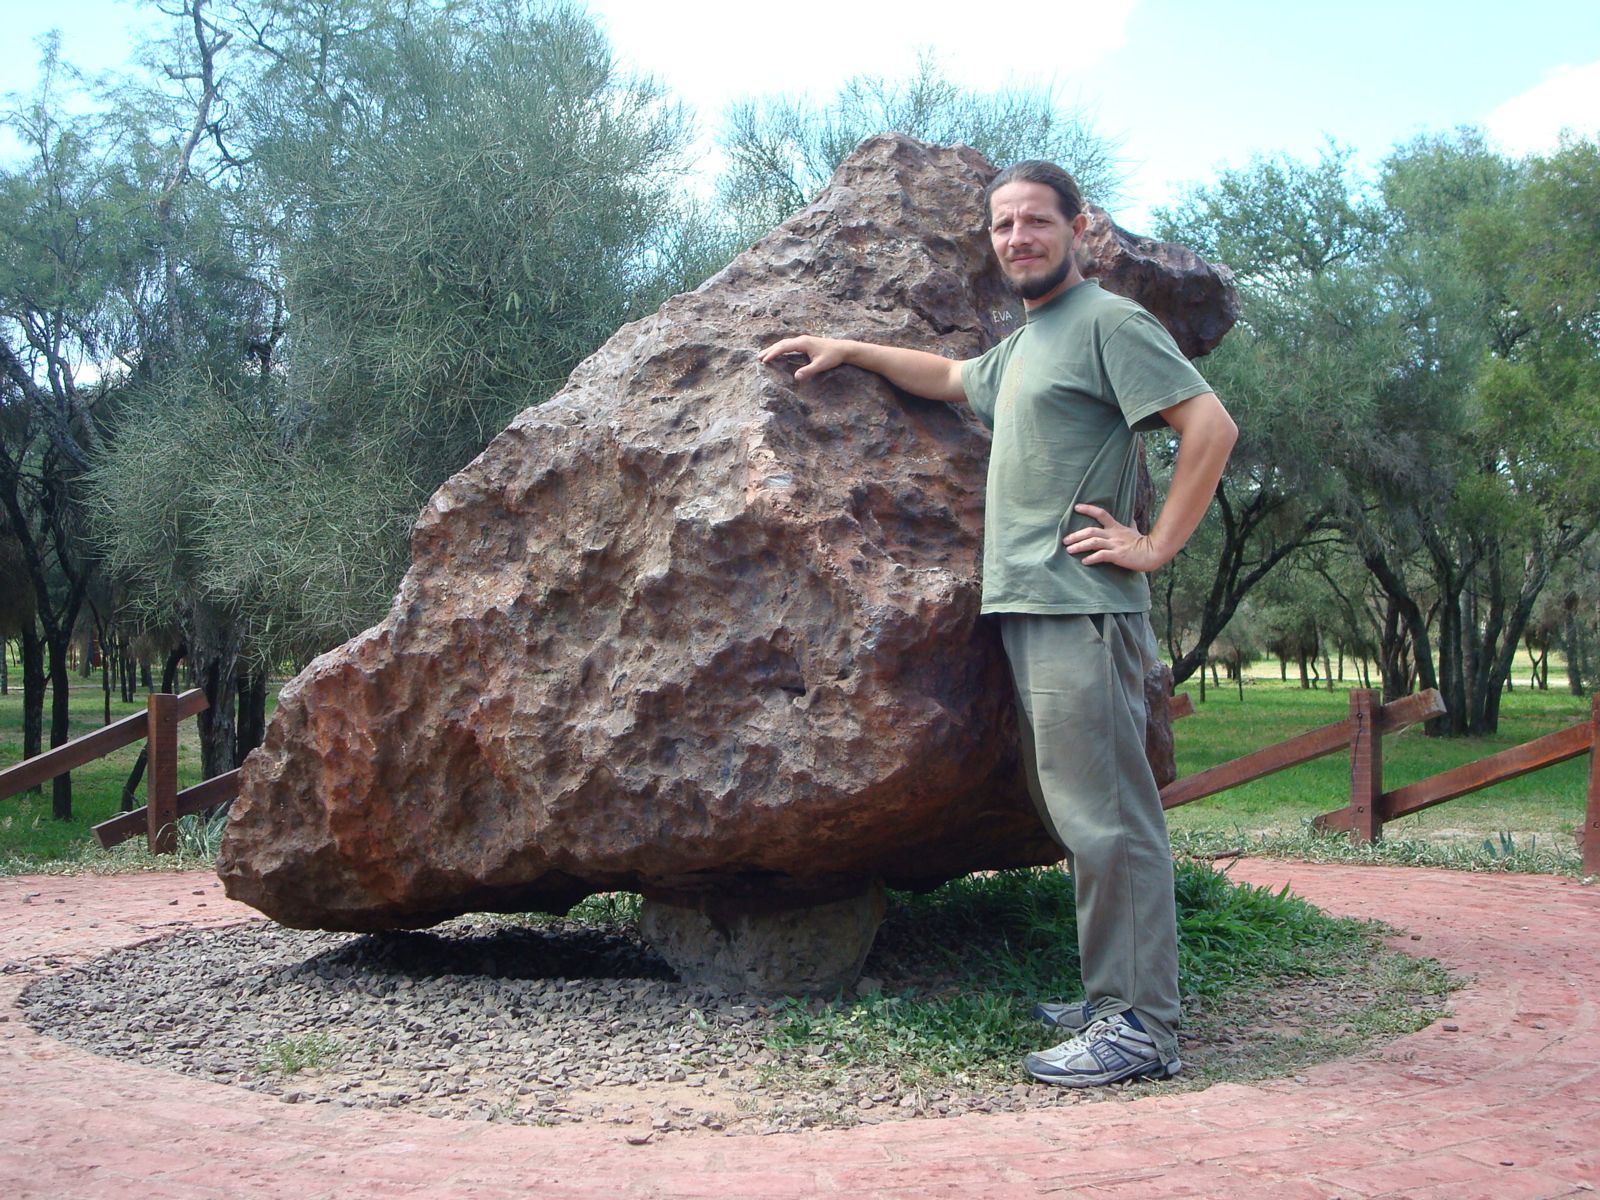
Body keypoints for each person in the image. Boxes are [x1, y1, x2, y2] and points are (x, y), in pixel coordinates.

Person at [758, 160, 1237, 1087]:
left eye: (1035, 222)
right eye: (1003, 226)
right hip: (1030, 607)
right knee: (1076, 810)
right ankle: (1114, 995)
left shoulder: (1109, 322)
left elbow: (1208, 426)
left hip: (1082, 608)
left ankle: (1139, 1025)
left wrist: (1155, 545)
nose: (1018, 238)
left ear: (1078, 227)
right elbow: (945, 375)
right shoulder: (1029, 343)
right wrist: (848, 349)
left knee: (1109, 820)